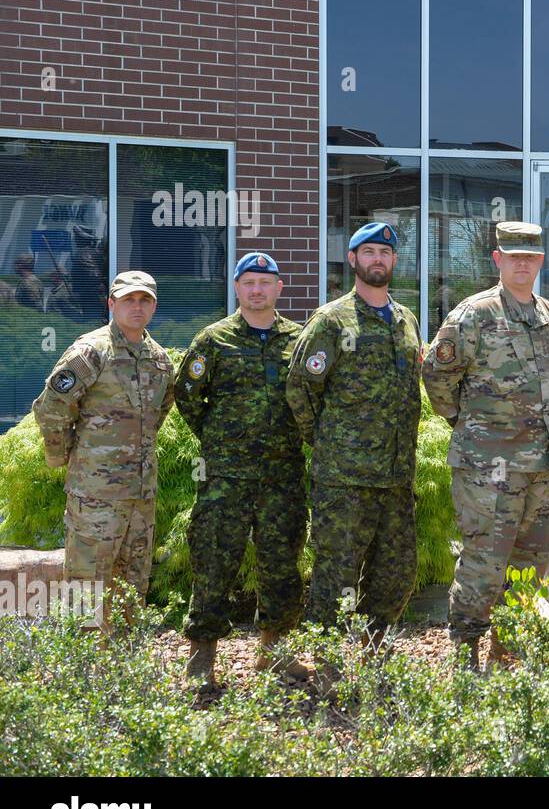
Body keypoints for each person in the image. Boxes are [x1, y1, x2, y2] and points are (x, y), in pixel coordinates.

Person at [423, 222, 549, 669]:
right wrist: (463, 423)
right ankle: (465, 655)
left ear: (541, 261)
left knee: (530, 563)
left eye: (530, 256)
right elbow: (437, 373)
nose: (522, 263)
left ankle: (506, 653)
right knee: (484, 563)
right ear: (497, 260)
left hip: (538, 468)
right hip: (487, 468)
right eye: (513, 255)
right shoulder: (474, 314)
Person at [285, 222, 422, 686]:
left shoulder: (407, 319)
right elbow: (301, 388)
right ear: (353, 260)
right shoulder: (332, 321)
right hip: (344, 478)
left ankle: (374, 654)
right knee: (334, 576)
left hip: (397, 476)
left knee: (397, 574)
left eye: (385, 252)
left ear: (394, 261)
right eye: (369, 252)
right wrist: (326, 441)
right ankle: (324, 664)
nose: (377, 259)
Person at [175, 252, 309, 688]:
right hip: (226, 479)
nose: (257, 290)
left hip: (283, 478)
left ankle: (274, 653)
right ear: (236, 288)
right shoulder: (213, 341)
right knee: (214, 563)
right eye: (248, 282)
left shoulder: (298, 339)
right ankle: (201, 659)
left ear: (278, 288)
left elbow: (312, 399)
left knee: (282, 564)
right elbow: (188, 398)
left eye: (265, 282)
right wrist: (219, 440)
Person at [31, 271, 175, 635]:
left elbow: (157, 415)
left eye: (145, 300)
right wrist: (62, 457)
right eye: (128, 300)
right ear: (112, 304)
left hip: (141, 497)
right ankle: (82, 675)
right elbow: (51, 408)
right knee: (85, 588)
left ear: (154, 306)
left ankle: (125, 674)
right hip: (95, 497)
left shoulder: (159, 360)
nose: (137, 307)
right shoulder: (91, 352)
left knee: (132, 588)